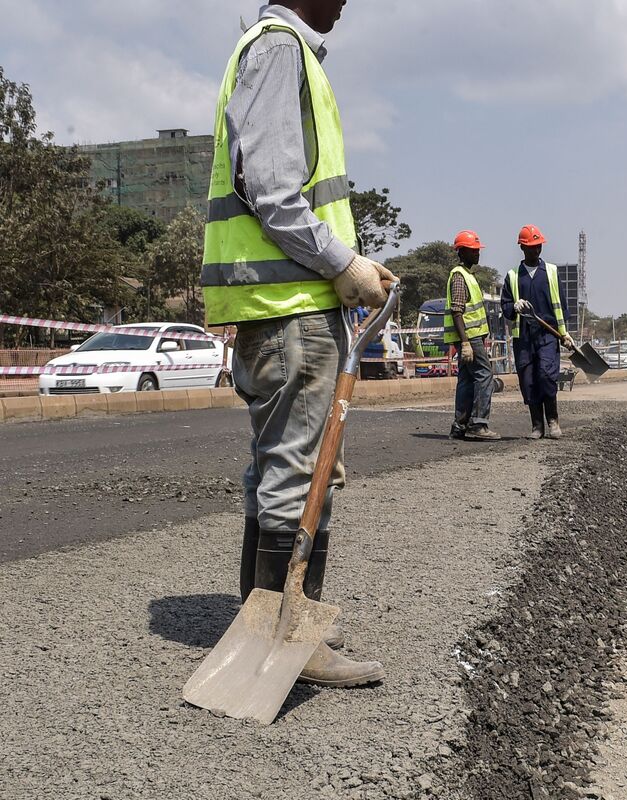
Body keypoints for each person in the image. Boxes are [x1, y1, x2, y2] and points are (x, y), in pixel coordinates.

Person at [200, 0, 393, 687]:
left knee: (278, 469)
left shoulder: (272, 49)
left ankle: (266, 626)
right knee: (301, 472)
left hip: (277, 308)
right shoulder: (281, 49)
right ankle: (287, 638)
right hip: (293, 308)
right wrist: (343, 263)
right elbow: (272, 190)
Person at [500, 225, 575, 439]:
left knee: (546, 374)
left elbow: (559, 305)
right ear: (522, 248)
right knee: (529, 379)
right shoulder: (513, 276)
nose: (536, 250)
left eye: (538, 245)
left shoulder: (550, 272)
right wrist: (514, 306)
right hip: (523, 337)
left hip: (547, 335)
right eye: (532, 246)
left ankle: (553, 421)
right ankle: (537, 426)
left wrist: (564, 333)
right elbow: (506, 307)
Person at [446, 230, 500, 441]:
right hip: (470, 338)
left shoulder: (467, 275)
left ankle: (460, 425)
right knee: (484, 376)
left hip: (471, 338)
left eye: (477, 249)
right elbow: (457, 311)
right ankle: (478, 424)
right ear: (461, 252)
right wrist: (466, 342)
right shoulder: (460, 277)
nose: (477, 253)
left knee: (467, 379)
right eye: (473, 250)